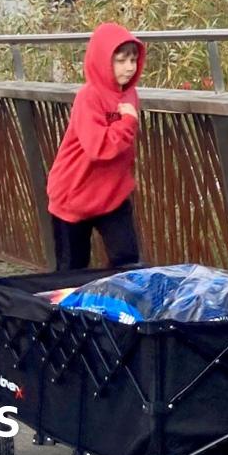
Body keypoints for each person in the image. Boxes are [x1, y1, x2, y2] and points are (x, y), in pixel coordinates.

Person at [45, 23, 145, 272]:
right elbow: (97, 147)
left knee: (127, 262)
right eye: (121, 61)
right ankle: (63, 312)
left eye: (133, 59)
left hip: (112, 193)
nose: (129, 67)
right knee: (71, 272)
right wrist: (128, 122)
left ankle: (119, 309)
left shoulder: (129, 94)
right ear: (103, 60)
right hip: (74, 194)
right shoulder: (88, 97)